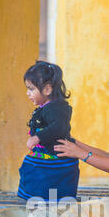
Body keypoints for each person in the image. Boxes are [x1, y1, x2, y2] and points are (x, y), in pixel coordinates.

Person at [18, 61, 79, 201]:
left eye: (31, 89)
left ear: (47, 90)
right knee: (30, 170)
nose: (28, 93)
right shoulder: (48, 107)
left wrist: (37, 137)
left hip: (55, 161)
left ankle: (42, 202)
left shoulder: (56, 108)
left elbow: (58, 127)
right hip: (46, 158)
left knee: (36, 176)